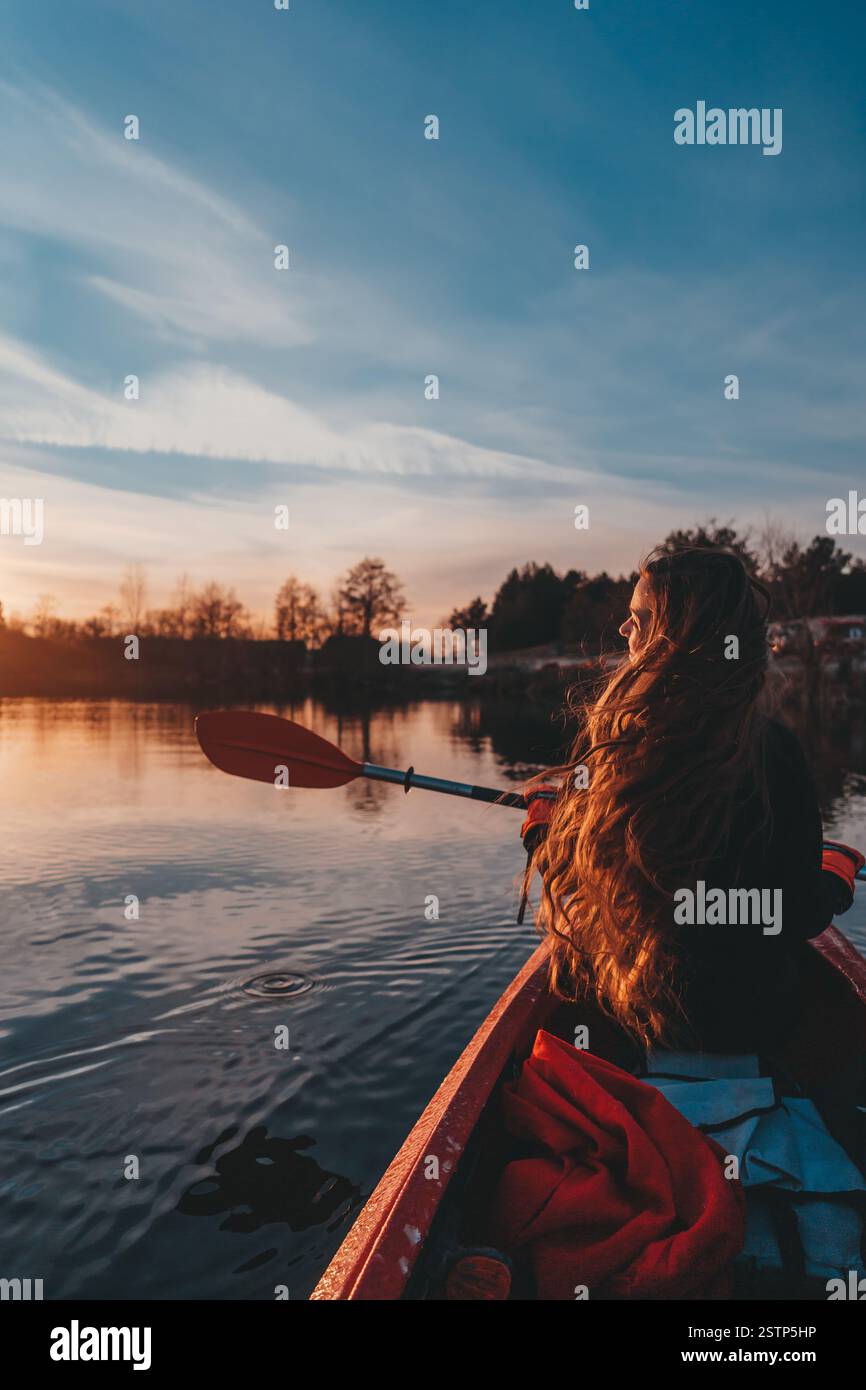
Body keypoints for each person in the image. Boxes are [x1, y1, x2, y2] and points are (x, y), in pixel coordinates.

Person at [521, 545, 864, 1054]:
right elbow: (795, 915)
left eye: (637, 619)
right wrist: (833, 880)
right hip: (750, 1023)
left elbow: (583, 880)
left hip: (635, 1015)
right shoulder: (773, 748)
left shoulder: (620, 751)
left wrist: (543, 828)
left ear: (672, 637)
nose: (623, 630)